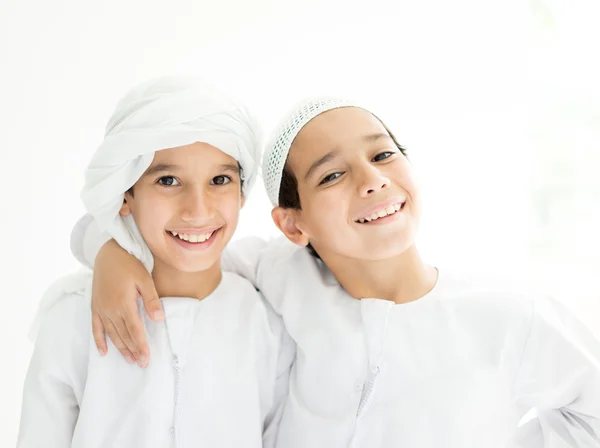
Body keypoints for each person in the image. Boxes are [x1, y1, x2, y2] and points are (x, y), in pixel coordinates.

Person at [69, 97, 600, 447]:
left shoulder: (506, 316)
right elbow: (183, 241)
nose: (371, 181)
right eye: (333, 175)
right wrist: (112, 254)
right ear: (292, 225)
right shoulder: (279, 274)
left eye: (385, 154)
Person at [18, 77, 292, 448]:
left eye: (219, 179)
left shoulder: (270, 323)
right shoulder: (73, 319)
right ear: (125, 194)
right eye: (167, 180)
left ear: (241, 193)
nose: (197, 210)